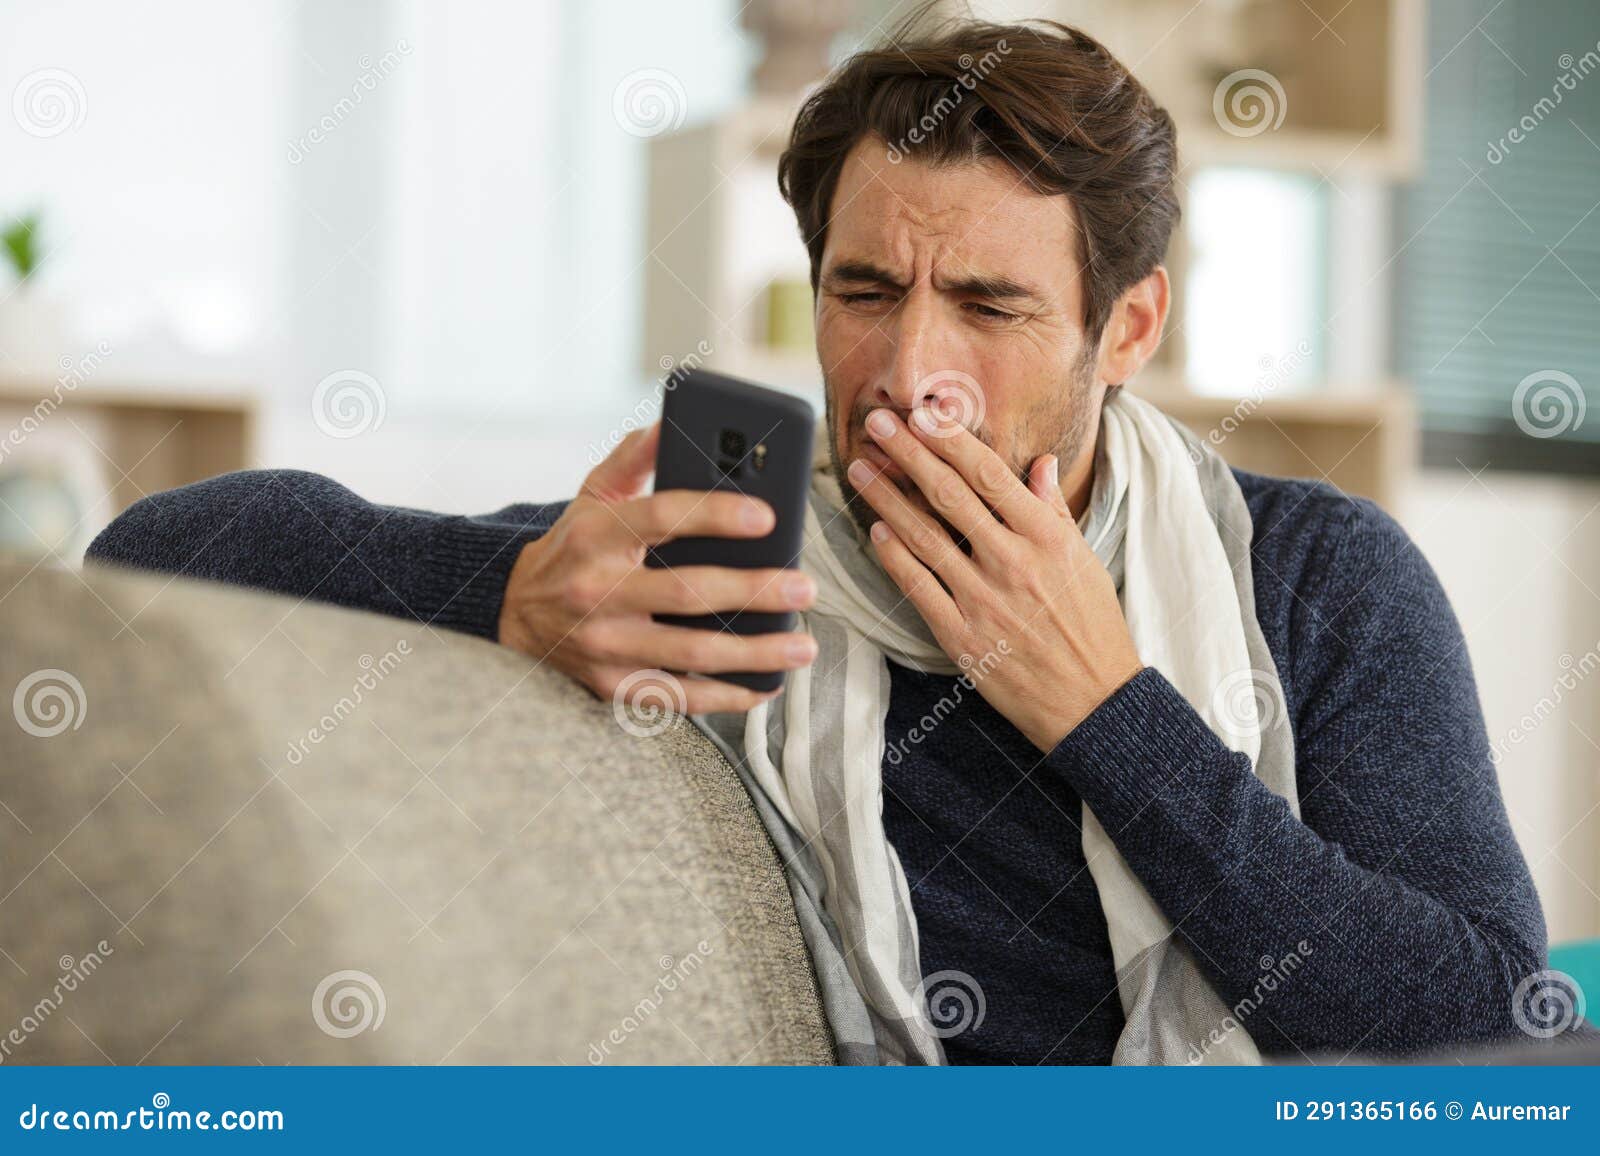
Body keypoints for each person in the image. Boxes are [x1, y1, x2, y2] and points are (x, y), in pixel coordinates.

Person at [87, 18, 1546, 1064]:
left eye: (989, 304)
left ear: (1131, 328)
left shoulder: (1319, 580)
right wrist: (514, 588)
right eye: (863, 292)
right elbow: (157, 555)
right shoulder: (733, 564)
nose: (910, 373)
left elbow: (1486, 1033)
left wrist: (1106, 709)